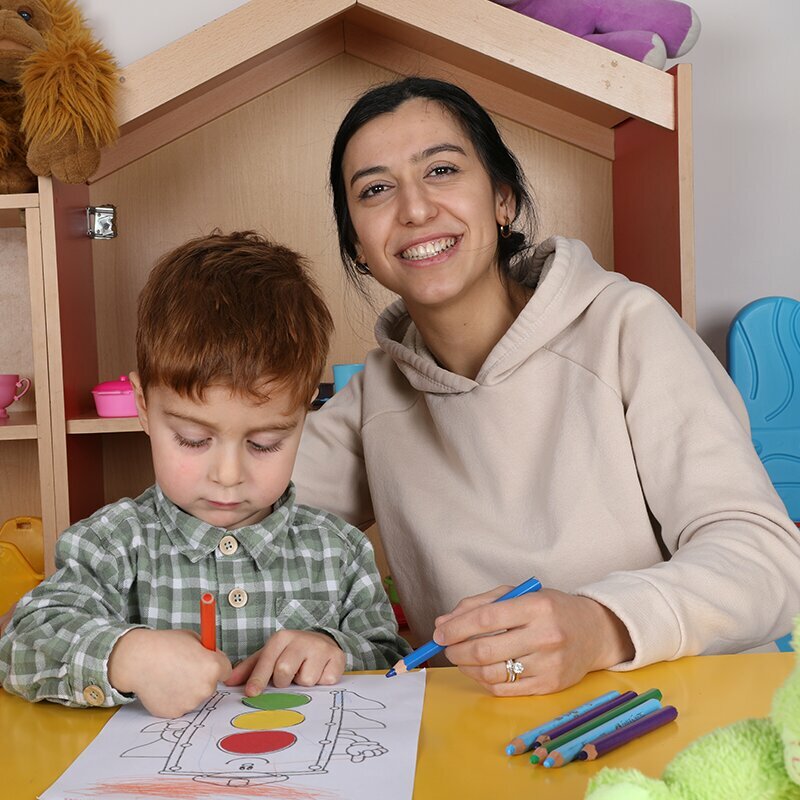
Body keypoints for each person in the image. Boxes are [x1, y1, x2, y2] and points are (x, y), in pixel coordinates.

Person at [292, 76, 800, 696]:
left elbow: (765, 558)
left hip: (663, 716)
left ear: (504, 200)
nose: (416, 209)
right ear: (358, 245)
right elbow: (225, 522)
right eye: (375, 189)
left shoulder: (626, 326)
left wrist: (600, 623)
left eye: (443, 171)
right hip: (484, 739)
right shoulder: (375, 394)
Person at [0, 231, 409, 718]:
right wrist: (124, 657)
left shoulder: (338, 551)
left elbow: (390, 659)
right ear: (143, 407)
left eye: (264, 444)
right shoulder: (112, 543)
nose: (228, 475)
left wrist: (332, 649)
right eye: (194, 440)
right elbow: (22, 643)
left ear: (304, 416)